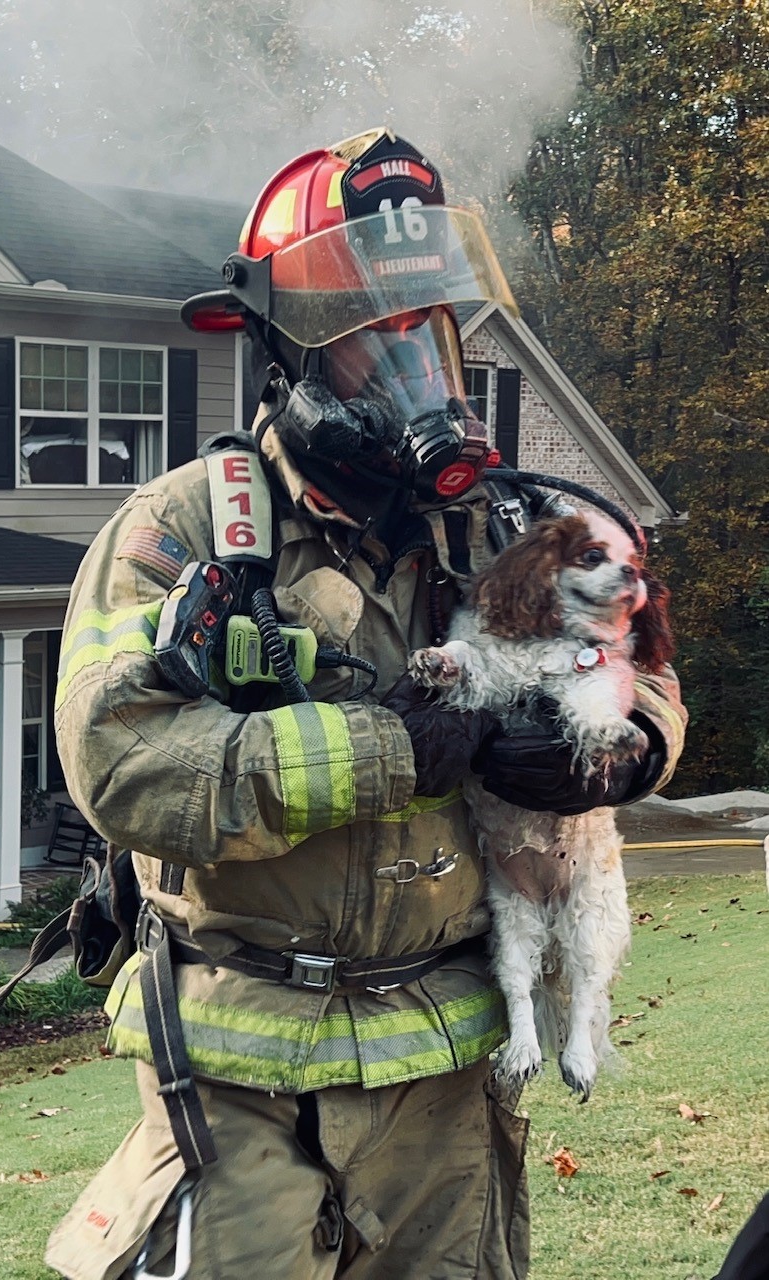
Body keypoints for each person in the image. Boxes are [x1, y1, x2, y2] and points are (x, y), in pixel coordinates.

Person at [45, 128, 687, 1280]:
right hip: (241, 1076)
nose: (412, 361)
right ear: (288, 353)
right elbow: (119, 762)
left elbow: (643, 664)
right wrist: (391, 747)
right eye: (368, 329)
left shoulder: (500, 528)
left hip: (447, 1074)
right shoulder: (181, 530)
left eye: (426, 323)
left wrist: (625, 748)